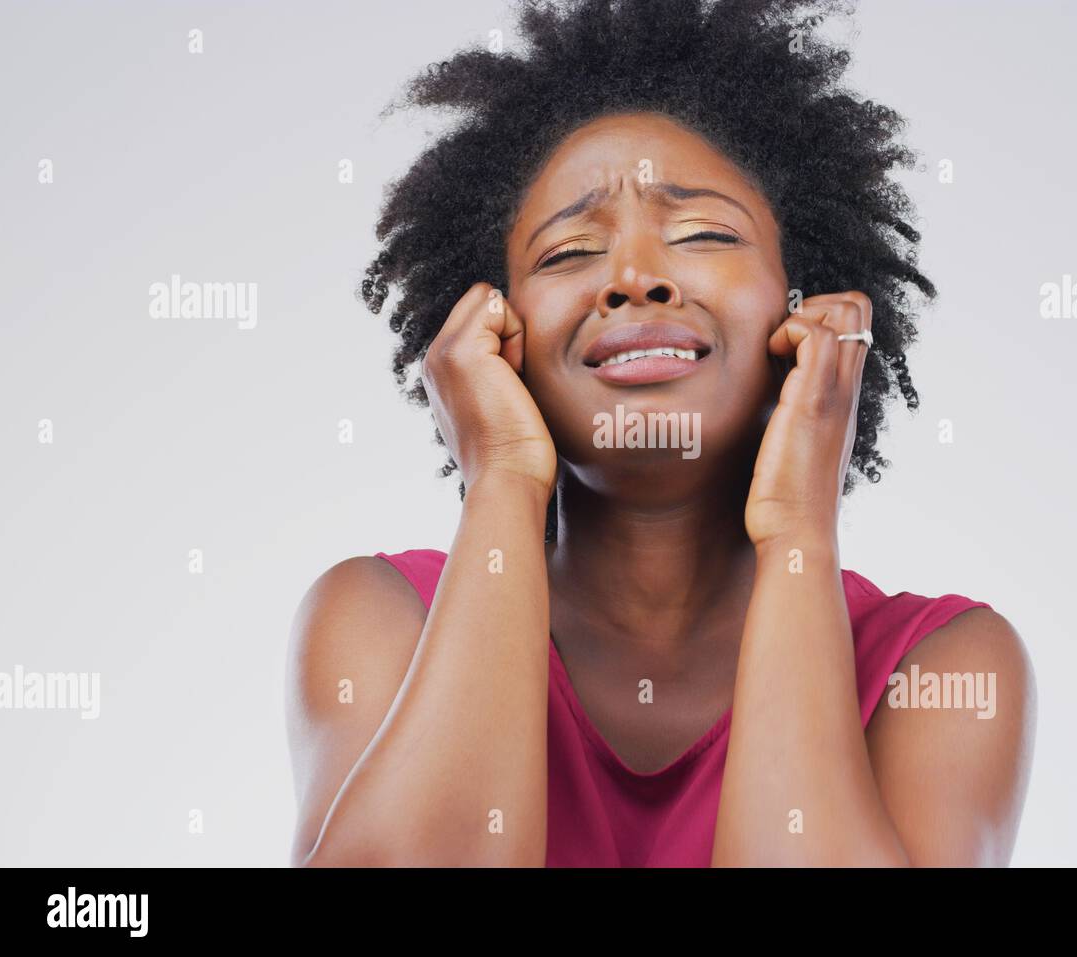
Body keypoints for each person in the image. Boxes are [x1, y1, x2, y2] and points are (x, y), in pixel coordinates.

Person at [286, 0, 1036, 867]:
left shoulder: (942, 668)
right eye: (568, 254)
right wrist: (501, 479)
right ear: (492, 334)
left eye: (703, 234)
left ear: (810, 305)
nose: (634, 278)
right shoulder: (379, 622)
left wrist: (800, 528)